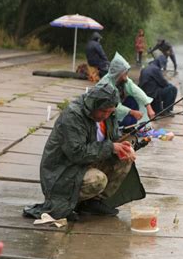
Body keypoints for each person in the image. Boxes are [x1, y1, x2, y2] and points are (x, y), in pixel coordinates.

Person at [23, 84, 146, 221]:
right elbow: (77, 153)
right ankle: (68, 202)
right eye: (103, 111)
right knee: (98, 180)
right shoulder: (73, 116)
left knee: (125, 159)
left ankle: (92, 203)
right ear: (93, 105)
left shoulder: (108, 115)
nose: (106, 115)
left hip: (88, 162)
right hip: (63, 170)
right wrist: (111, 147)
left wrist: (124, 145)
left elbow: (113, 138)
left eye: (110, 112)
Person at [96, 52, 156, 127]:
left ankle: (129, 124)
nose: (126, 75)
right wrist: (132, 112)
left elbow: (136, 90)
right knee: (129, 120)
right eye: (125, 73)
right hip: (107, 112)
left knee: (133, 99)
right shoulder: (106, 85)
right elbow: (114, 106)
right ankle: (119, 126)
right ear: (119, 72)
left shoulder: (123, 79)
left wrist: (148, 106)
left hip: (119, 107)